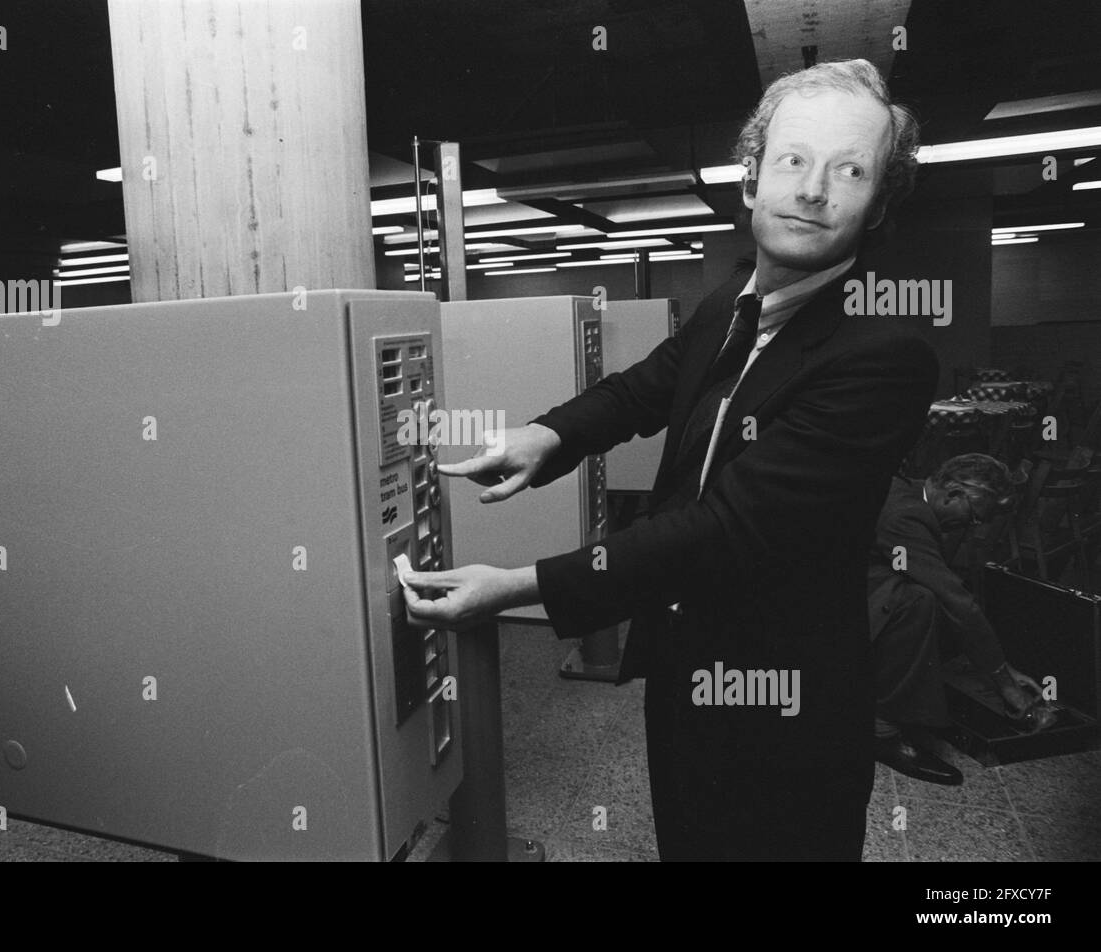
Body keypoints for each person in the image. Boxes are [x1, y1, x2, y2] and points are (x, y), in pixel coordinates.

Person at [402, 58, 939, 860]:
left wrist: (520, 589)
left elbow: (730, 529)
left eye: (849, 170)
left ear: (878, 202)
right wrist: (548, 436)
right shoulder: (733, 299)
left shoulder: (883, 352)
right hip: (685, 666)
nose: (815, 188)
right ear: (751, 178)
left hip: (786, 701)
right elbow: (650, 386)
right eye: (793, 160)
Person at [870, 453, 1043, 786]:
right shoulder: (906, 516)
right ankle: (881, 730)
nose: (970, 527)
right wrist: (1005, 683)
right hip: (811, 601)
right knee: (921, 601)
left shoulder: (910, 492)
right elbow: (956, 602)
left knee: (931, 595)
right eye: (974, 517)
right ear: (952, 494)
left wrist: (1001, 667)